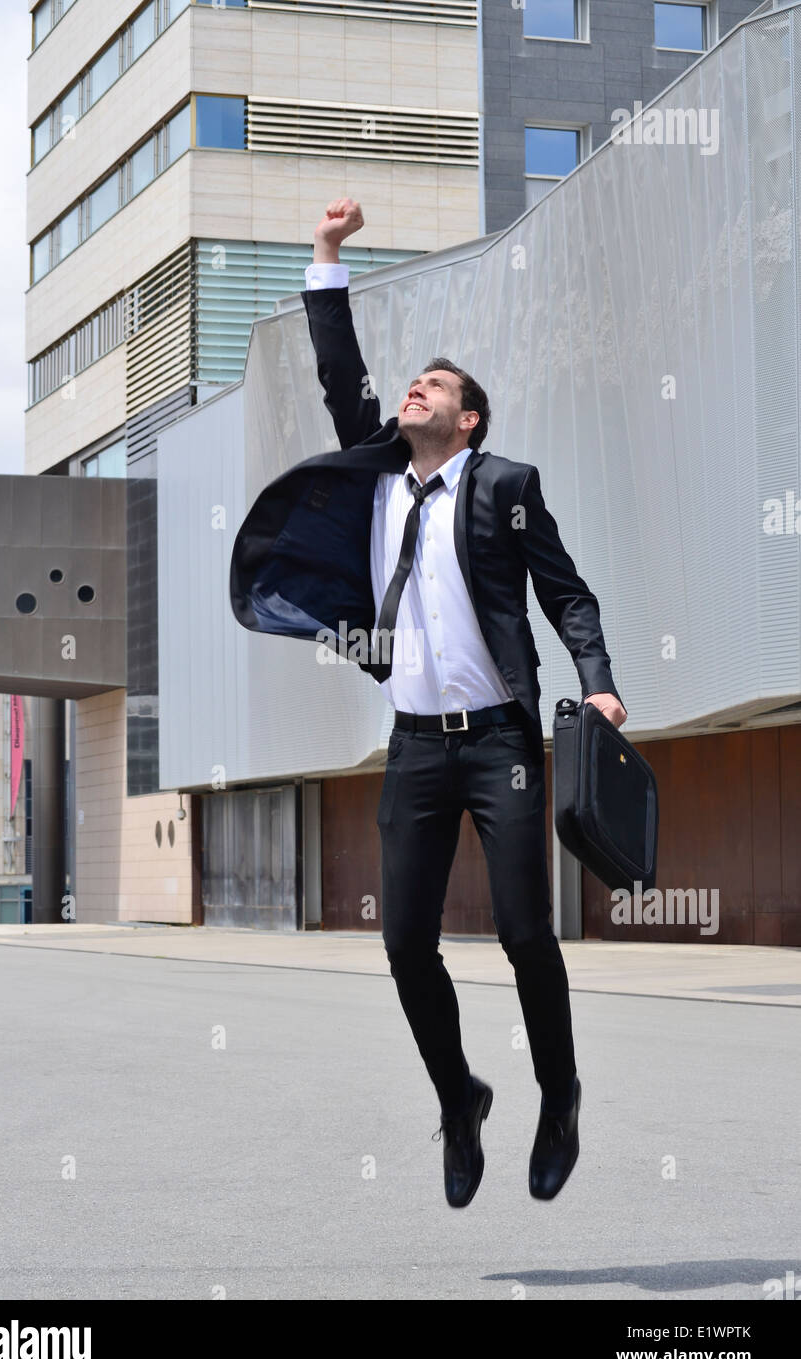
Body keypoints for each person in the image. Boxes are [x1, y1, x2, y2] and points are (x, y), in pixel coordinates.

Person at [231, 198, 627, 1208]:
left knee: (525, 933)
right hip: (412, 746)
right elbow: (339, 368)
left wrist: (599, 680)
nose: (419, 385)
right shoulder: (375, 478)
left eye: (438, 383)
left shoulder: (505, 486)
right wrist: (325, 253)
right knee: (405, 943)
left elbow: (567, 592)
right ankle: (461, 1101)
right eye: (416, 380)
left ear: (470, 417)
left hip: (499, 740)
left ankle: (563, 1093)